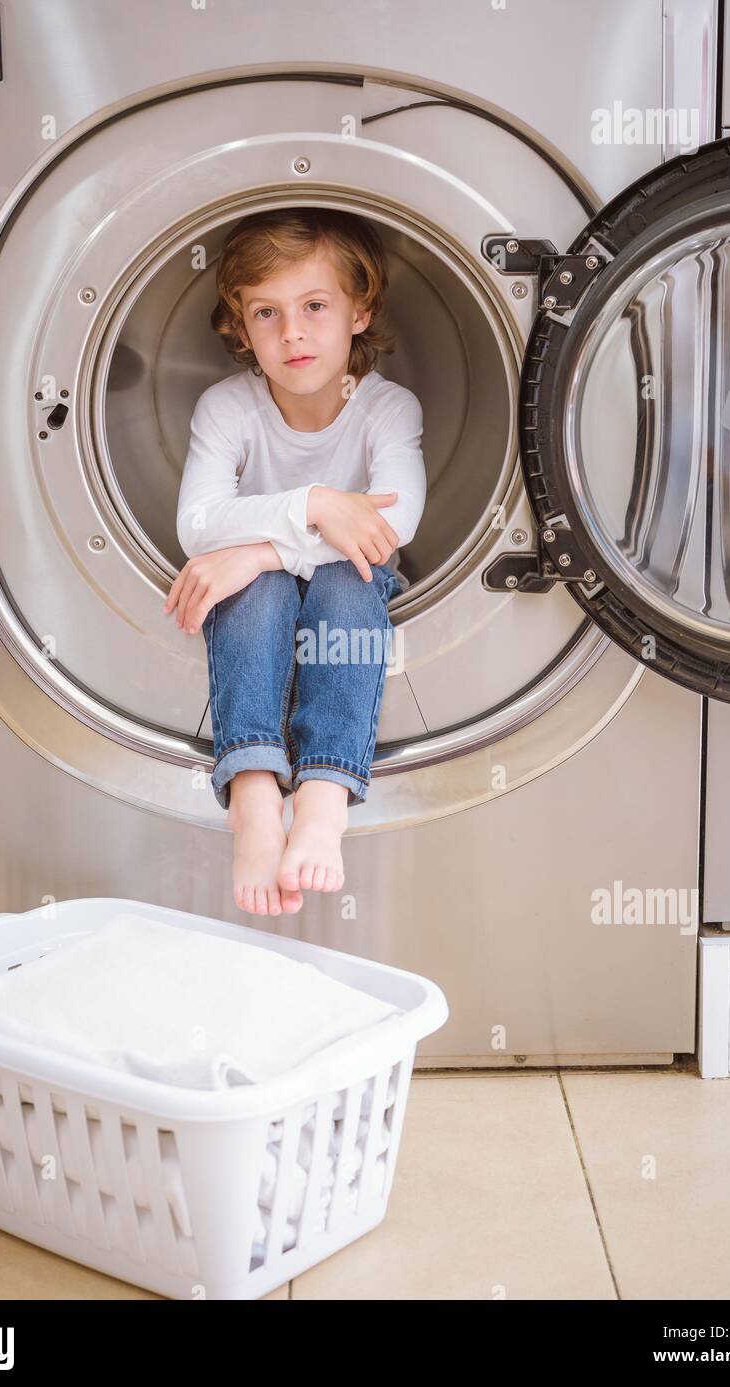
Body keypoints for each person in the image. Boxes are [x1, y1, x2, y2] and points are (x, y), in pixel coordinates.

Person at [164, 208, 426, 917]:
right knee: (259, 593)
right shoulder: (227, 408)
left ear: (360, 311)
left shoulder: (385, 409)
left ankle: (323, 795)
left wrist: (257, 548)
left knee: (345, 582)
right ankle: (251, 794)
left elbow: (389, 525)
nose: (292, 333)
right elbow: (196, 525)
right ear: (241, 327)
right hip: (265, 593)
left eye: (315, 306)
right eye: (266, 313)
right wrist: (316, 505)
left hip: (349, 580)